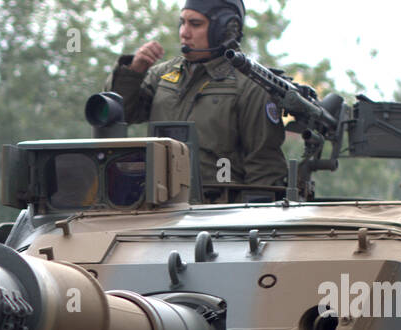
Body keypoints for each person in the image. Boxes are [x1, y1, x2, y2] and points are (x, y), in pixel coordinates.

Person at [106, 0, 286, 200]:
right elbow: (120, 114)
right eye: (182, 23)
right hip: (157, 206)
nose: (184, 32)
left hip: (216, 216)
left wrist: (246, 221)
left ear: (225, 29)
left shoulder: (251, 86)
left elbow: (263, 167)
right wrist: (133, 71)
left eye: (195, 24)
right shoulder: (163, 75)